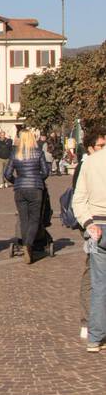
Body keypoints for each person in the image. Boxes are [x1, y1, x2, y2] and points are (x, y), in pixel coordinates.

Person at [73, 121, 106, 352]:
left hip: (96, 228)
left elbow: (78, 200)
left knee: (98, 284)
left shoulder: (90, 162)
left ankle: (95, 338)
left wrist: (88, 224)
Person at [4, 128, 50, 264]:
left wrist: (17, 181)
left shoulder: (15, 154)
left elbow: (7, 174)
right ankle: (28, 244)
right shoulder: (38, 153)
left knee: (24, 219)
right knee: (35, 219)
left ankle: (25, 243)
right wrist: (38, 179)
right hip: (35, 188)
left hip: (20, 189)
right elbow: (46, 172)